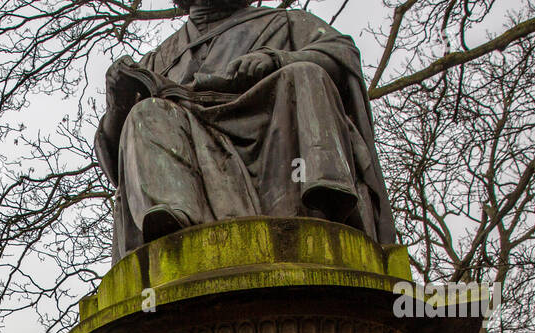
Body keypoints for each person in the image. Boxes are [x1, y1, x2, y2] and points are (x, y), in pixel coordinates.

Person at [96, 0, 396, 259]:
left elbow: (342, 55)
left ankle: (321, 206)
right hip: (191, 144)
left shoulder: (285, 22)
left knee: (305, 74)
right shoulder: (158, 59)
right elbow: (114, 164)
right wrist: (118, 105)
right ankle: (172, 228)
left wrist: (278, 59)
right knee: (145, 113)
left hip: (272, 138)